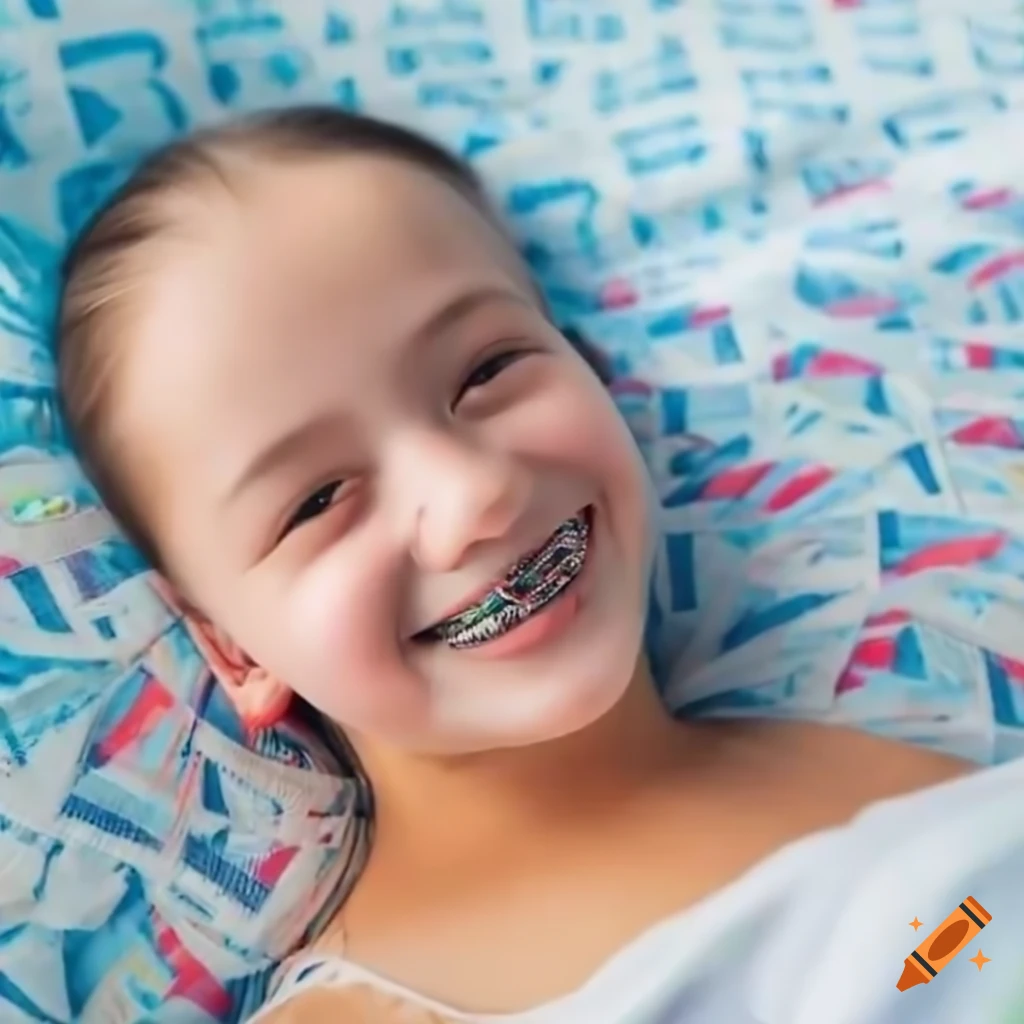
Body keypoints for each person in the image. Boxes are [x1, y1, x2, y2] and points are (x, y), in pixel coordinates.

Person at [55, 106, 1024, 1024]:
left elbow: (966, 957)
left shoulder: (901, 760)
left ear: (590, 366)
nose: (471, 494)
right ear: (232, 648)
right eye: (315, 501)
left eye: (486, 370)